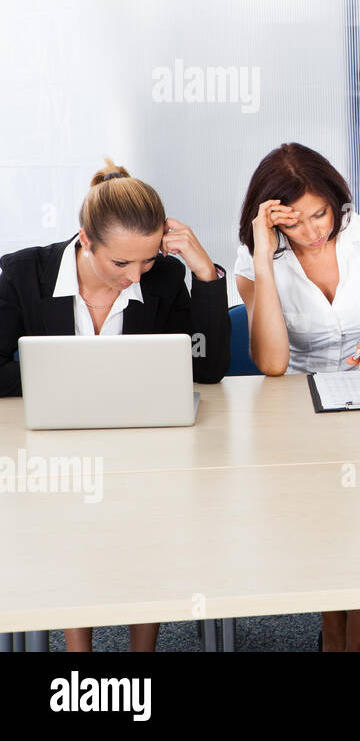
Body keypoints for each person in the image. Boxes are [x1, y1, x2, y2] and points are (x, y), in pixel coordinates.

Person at [0, 159, 231, 651]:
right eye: (121, 263)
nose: (135, 275)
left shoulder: (165, 278)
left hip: (142, 448)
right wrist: (74, 372)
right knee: (63, 520)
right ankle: (78, 653)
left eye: (146, 260)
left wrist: (205, 273)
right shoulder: (24, 273)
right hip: (54, 447)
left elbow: (207, 368)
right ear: (85, 240)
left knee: (150, 520)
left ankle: (140, 652)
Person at [234, 142, 360, 651]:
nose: (314, 231)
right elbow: (273, 362)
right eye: (294, 223)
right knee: (331, 526)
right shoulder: (256, 258)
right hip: (297, 409)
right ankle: (331, 634)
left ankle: (353, 647)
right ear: (272, 220)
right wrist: (263, 253)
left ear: (337, 199)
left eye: (320, 214)